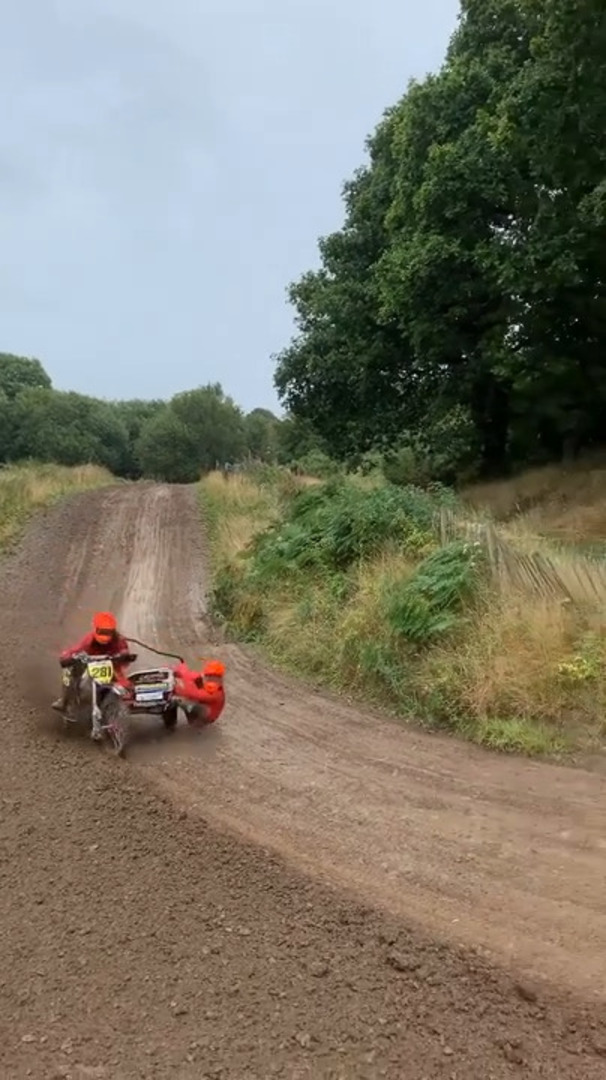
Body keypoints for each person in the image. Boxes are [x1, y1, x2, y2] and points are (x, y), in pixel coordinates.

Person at [52, 611, 132, 713]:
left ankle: (117, 714)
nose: (105, 635)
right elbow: (76, 649)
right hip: (90, 666)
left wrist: (123, 656)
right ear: (96, 629)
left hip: (112, 669)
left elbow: (124, 651)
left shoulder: (119, 640)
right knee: (70, 671)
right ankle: (65, 701)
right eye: (102, 631)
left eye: (108, 632)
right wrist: (67, 656)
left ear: (113, 631)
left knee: (126, 689)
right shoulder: (89, 640)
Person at [172, 658, 226, 727]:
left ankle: (172, 727)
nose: (211, 678)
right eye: (209, 675)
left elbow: (195, 694)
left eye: (215, 676)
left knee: (177, 700)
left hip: (206, 717)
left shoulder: (217, 693)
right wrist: (179, 671)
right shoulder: (203, 679)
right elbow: (188, 675)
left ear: (220, 678)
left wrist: (178, 687)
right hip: (199, 705)